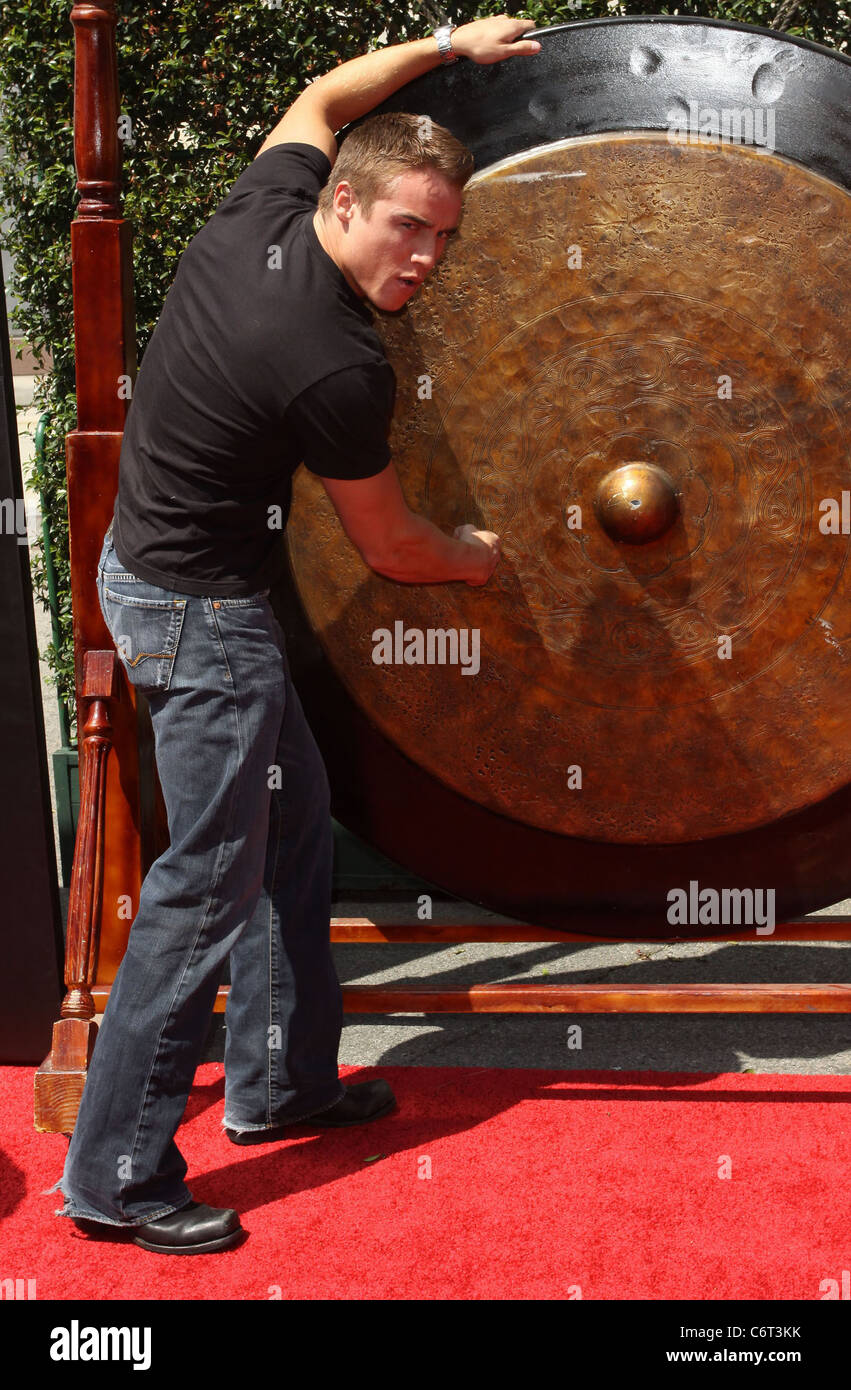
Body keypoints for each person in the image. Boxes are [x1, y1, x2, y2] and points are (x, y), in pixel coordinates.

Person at [49, 14, 541, 1255]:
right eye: (407, 228)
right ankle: (111, 1176)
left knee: (289, 840)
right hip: (205, 625)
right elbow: (392, 549)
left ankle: (277, 1084)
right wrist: (484, 562)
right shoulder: (333, 361)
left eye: (444, 235)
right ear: (347, 206)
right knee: (200, 892)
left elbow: (324, 90)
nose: (425, 256)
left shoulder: (260, 206)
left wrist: (444, 46)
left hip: (160, 578)